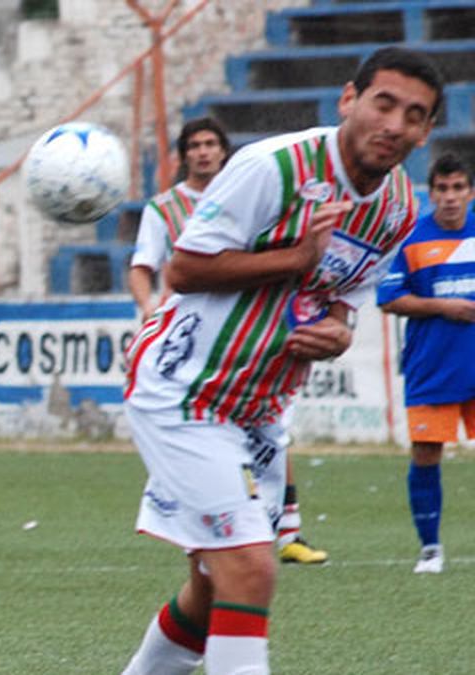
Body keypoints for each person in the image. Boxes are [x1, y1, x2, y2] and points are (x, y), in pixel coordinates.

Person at [120, 46, 442, 674]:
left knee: (212, 587)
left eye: (414, 115)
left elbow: (345, 298)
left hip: (260, 412)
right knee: (250, 567)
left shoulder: (400, 206)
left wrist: (338, 332)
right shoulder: (274, 168)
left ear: (427, 131)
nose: (395, 125)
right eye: (383, 104)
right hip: (186, 389)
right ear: (348, 100)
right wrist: (295, 258)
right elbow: (184, 269)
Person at [128, 118, 329, 566]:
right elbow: (144, 265)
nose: (203, 152)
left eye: (210, 144)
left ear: (224, 151)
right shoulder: (164, 209)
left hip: (251, 334)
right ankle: (205, 529)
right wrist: (147, 306)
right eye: (194, 145)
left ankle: (288, 530)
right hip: (188, 339)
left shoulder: (252, 190)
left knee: (272, 430)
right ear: (184, 155)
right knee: (205, 436)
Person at [377, 153, 475, 575]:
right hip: (432, 365)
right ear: (430, 193)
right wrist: (442, 306)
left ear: (470, 192)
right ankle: (431, 549)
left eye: (458, 188)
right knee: (426, 453)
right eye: (442, 189)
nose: (450, 197)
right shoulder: (412, 239)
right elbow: (388, 298)